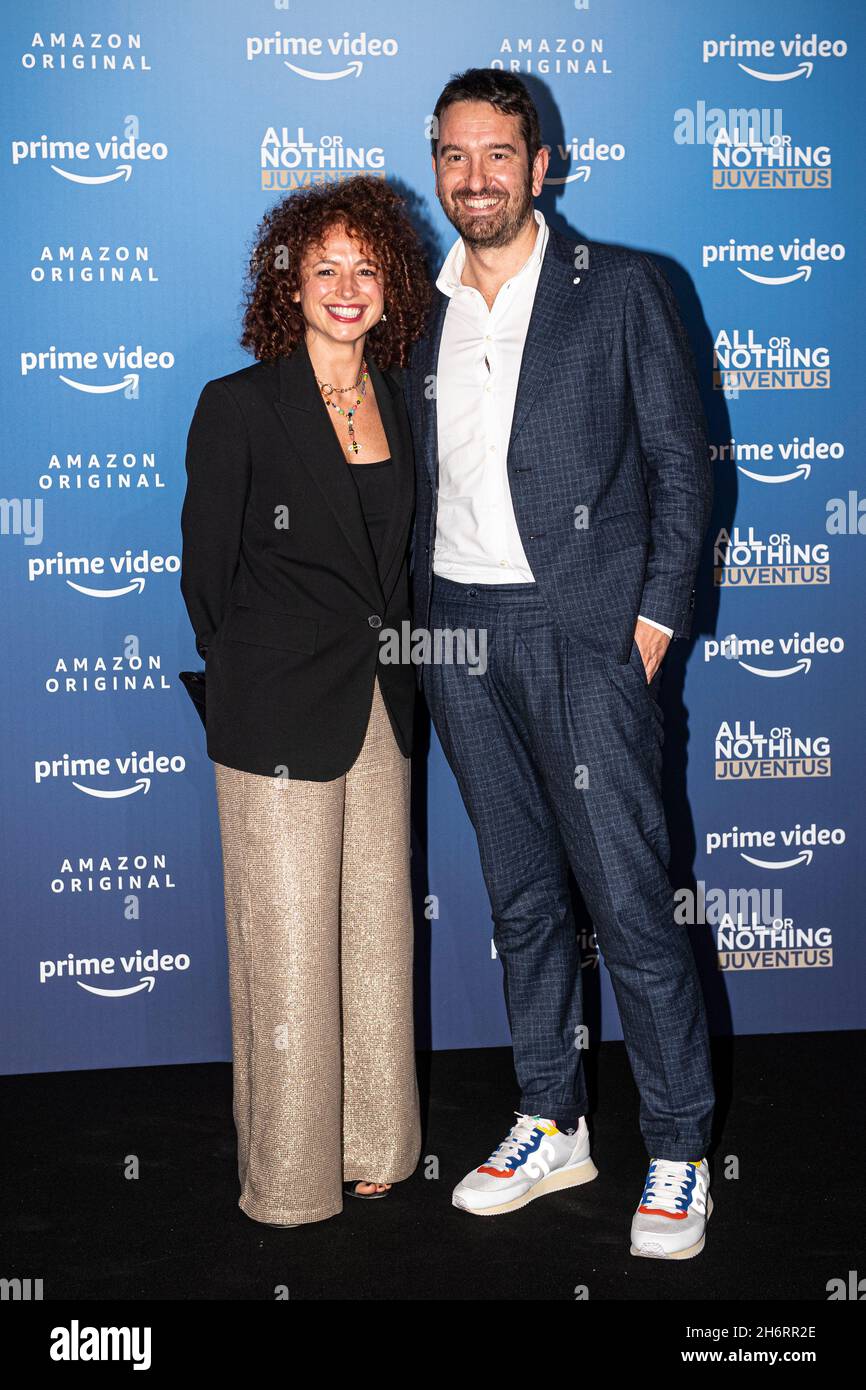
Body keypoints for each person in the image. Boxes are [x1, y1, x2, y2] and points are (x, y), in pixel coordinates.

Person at [404, 69, 715, 1258]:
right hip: (460, 636)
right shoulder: (419, 312)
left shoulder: (623, 289)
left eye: (497, 155)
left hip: (584, 635)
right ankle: (552, 1116)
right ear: (434, 163)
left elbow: (681, 470)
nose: (472, 178)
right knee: (522, 897)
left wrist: (649, 619)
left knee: (630, 902)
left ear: (542, 167)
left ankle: (681, 1149)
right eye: (452, 155)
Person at [180, 175, 431, 1226]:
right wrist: (252, 679)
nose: (344, 286)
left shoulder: (402, 399)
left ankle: (378, 1139)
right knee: (286, 947)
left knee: (375, 936)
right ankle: (287, 1179)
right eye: (323, 267)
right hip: (275, 713)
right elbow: (207, 578)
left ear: (391, 288)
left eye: (364, 269)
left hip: (382, 704)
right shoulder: (238, 405)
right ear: (288, 281)